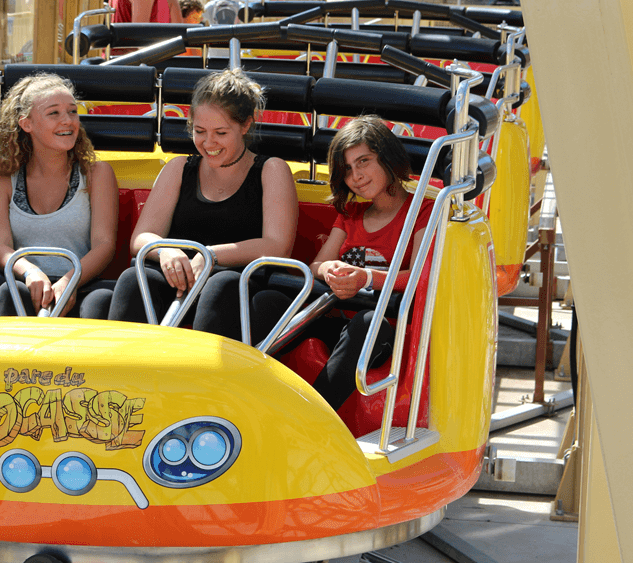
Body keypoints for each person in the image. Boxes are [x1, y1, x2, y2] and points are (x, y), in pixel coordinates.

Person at [251, 115, 434, 411]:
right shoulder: (350, 213)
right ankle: (246, 398)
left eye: (364, 162)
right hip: (335, 316)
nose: (356, 176)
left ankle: (310, 418)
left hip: (384, 328)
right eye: (348, 169)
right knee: (266, 300)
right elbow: (316, 267)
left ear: (388, 158)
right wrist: (331, 270)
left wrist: (364, 278)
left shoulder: (423, 209)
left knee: (367, 322)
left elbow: (421, 276)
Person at [106, 68, 298, 340]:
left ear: (245, 125)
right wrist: (166, 252)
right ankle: (122, 376)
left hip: (241, 285)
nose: (209, 143)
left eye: (220, 132)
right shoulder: (179, 168)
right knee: (134, 279)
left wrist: (208, 256)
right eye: (200, 131)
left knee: (221, 284)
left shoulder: (271, 170)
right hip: (179, 279)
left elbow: (278, 245)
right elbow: (141, 239)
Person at [0, 74, 118, 318]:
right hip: (25, 284)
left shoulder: (97, 173)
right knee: (7, 294)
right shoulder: (1, 179)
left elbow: (104, 245)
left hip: (82, 284)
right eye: (54, 113)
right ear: (27, 124)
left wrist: (69, 282)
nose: (67, 121)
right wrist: (31, 273)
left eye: (72, 112)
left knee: (100, 303)